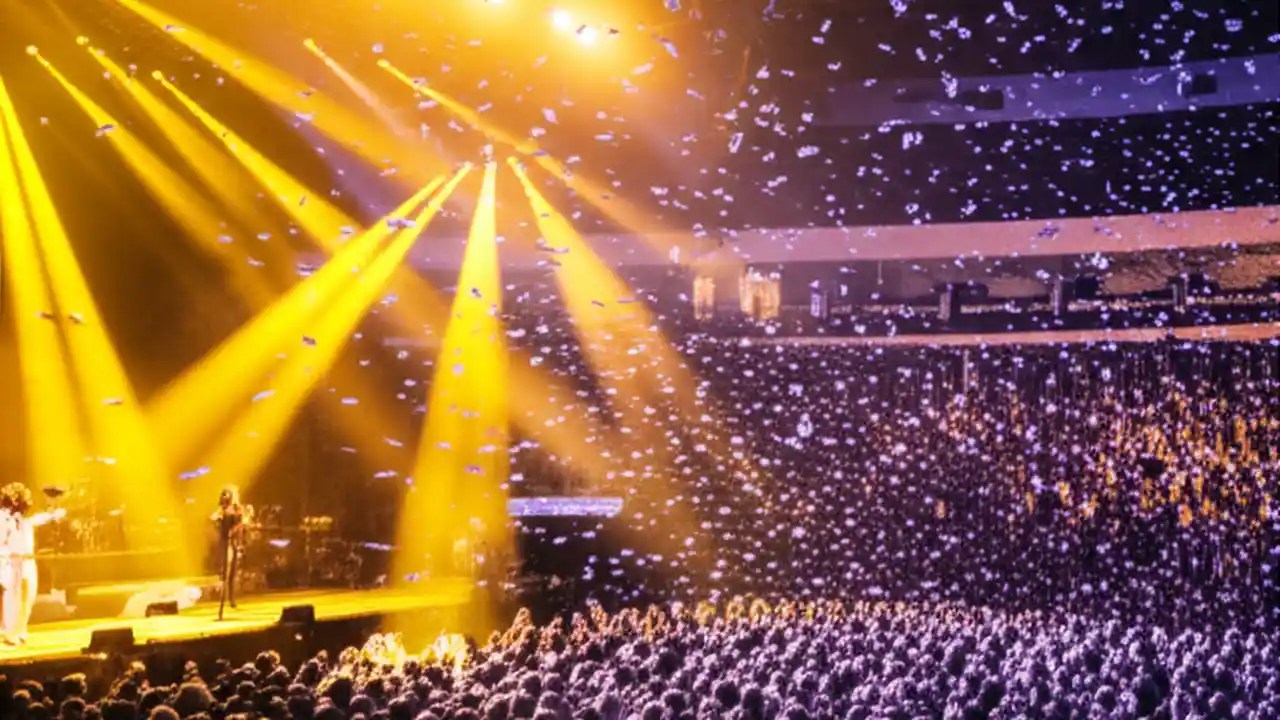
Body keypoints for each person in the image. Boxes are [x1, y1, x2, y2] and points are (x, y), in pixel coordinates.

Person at [0, 482, 64, 644]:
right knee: (13, 597)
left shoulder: (23, 519)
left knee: (28, 596)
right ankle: (10, 632)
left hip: (27, 560)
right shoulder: (3, 517)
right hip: (12, 562)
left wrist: (53, 514)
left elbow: (36, 520)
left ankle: (21, 629)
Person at [210, 486, 246, 620]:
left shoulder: (236, 509)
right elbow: (213, 518)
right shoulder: (222, 510)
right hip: (226, 542)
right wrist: (218, 522)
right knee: (225, 571)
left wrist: (235, 531)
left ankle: (230, 598)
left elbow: (240, 523)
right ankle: (224, 601)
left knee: (231, 572)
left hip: (233, 542)